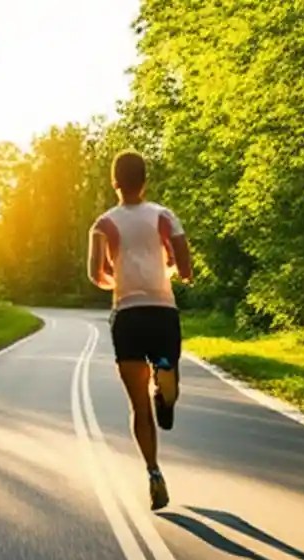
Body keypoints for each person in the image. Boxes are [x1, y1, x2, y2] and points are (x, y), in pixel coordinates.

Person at [87, 151, 193, 510]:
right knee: (167, 375)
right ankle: (165, 379)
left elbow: (95, 273)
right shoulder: (164, 216)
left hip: (128, 315)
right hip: (162, 311)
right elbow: (185, 264)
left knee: (138, 407)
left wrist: (118, 279)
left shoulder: (103, 224)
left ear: (114, 181)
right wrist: (170, 272)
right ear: (145, 180)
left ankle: (153, 473)